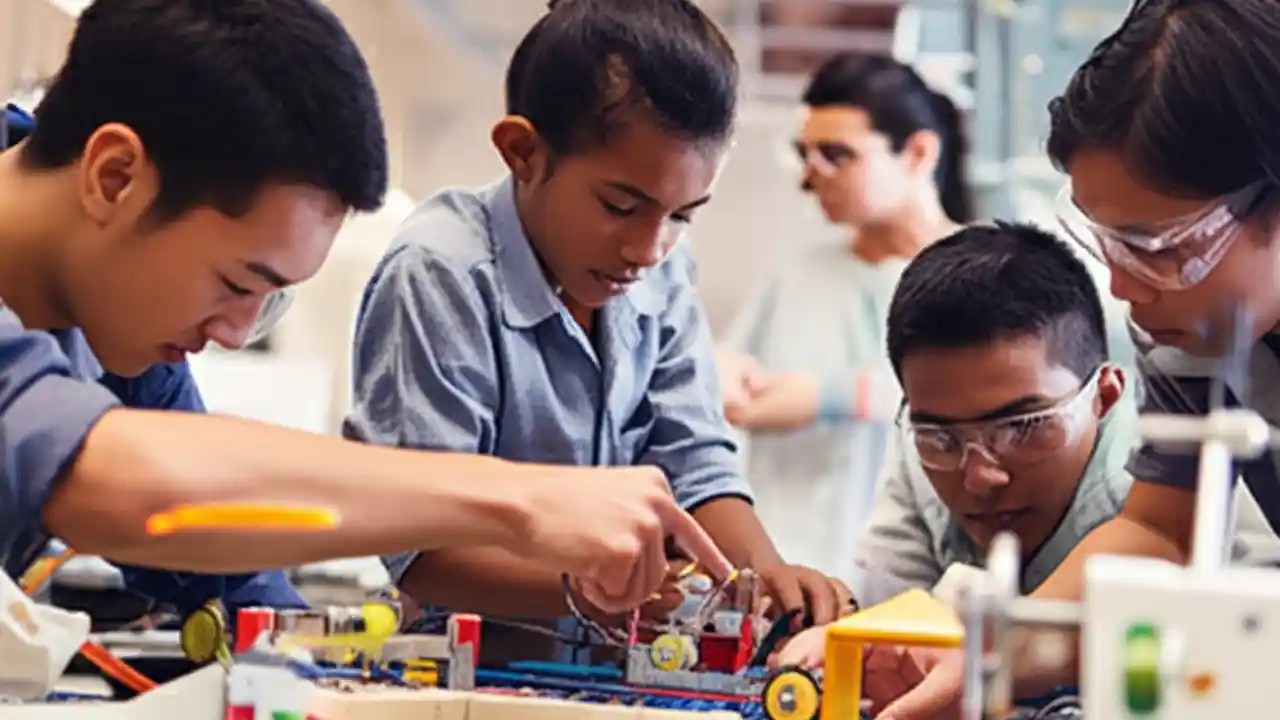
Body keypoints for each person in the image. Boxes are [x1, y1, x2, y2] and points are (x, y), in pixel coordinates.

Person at [0, 0, 730, 625]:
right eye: (234, 282)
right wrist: (521, 501)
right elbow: (112, 482)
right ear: (115, 177)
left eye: (269, 298)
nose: (230, 335)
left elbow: (223, 560)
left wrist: (308, 665)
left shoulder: (116, 340)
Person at [344, 0, 850, 659]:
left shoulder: (661, 272)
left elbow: (693, 462)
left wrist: (759, 577)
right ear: (522, 151)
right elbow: (419, 546)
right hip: (472, 674)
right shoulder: (442, 273)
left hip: (620, 665)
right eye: (620, 206)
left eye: (682, 216)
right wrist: (583, 589)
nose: (649, 248)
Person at [862, 1, 1280, 716]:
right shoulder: (1196, 333)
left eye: (1158, 249)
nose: (1122, 286)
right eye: (1110, 245)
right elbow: (1159, 530)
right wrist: (979, 661)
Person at [772, 222, 1139, 671]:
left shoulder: (1164, 490)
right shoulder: (919, 453)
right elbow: (886, 622)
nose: (981, 477)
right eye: (941, 436)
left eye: (1023, 427)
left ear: (1104, 395)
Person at [715, 53, 972, 582]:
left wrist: (832, 397)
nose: (813, 176)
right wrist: (716, 371)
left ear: (918, 152)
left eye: (837, 154)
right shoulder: (797, 271)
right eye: (804, 154)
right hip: (785, 569)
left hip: (917, 581)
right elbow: (730, 374)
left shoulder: (985, 273)